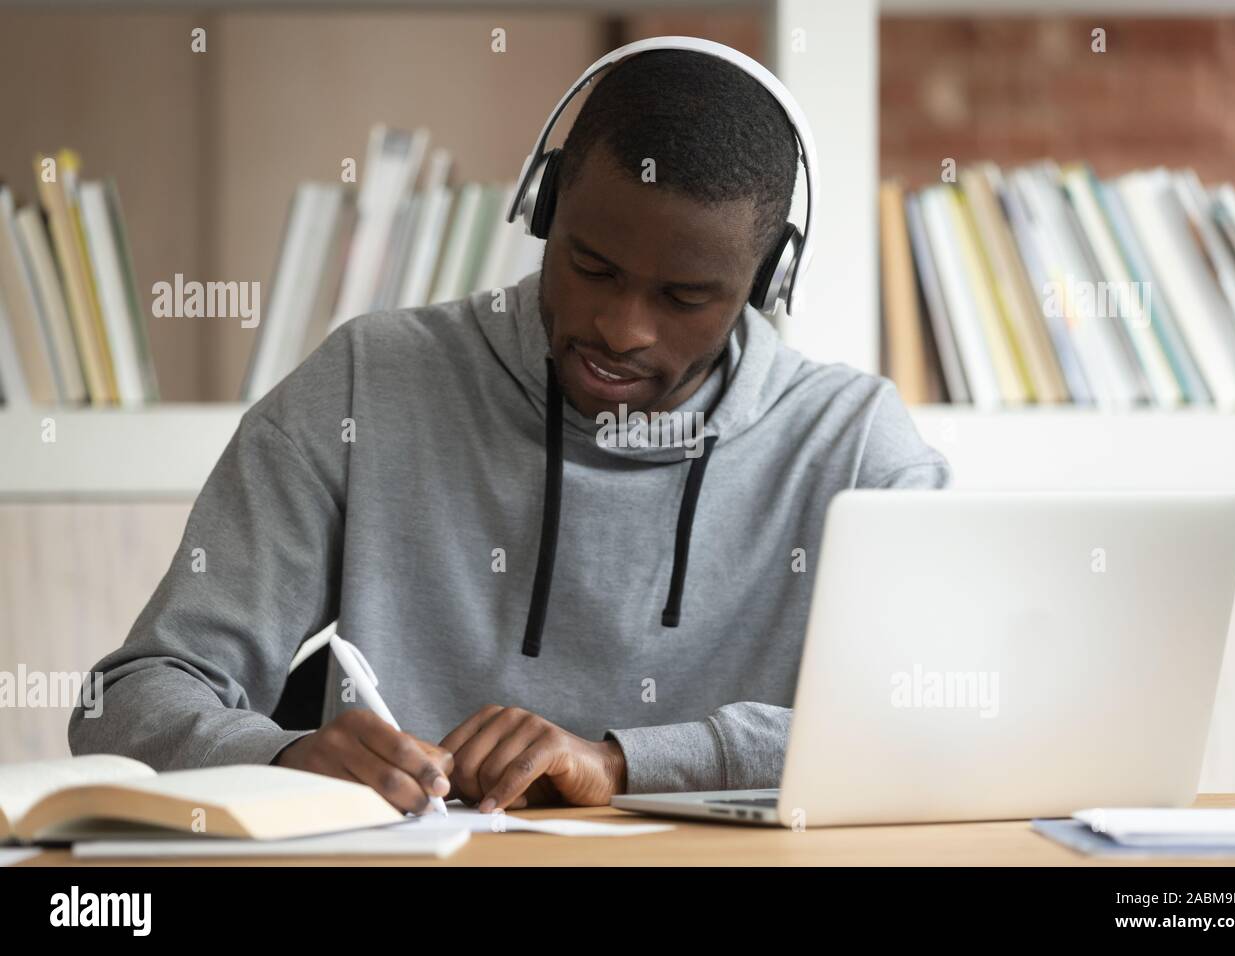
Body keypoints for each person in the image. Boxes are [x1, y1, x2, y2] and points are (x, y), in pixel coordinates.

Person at [69, 46, 949, 815]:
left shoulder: (854, 445)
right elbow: (128, 699)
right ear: (543, 206)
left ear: (765, 281)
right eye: (591, 265)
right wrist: (279, 757)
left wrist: (621, 763)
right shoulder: (369, 383)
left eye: (684, 297)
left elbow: (939, 715)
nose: (622, 327)